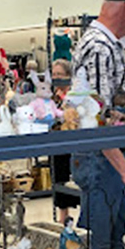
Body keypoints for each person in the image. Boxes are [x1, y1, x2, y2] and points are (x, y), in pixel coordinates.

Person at [71, 0, 125, 249]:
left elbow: (115, 111)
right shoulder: (100, 47)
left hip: (111, 156)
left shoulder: (107, 44)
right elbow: (100, 118)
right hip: (101, 159)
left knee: (120, 243)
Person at [50, 58, 75, 223]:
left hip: (73, 139)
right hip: (57, 141)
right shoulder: (51, 96)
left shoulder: (74, 95)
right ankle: (63, 215)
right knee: (58, 175)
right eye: (54, 74)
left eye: (60, 74)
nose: (57, 78)